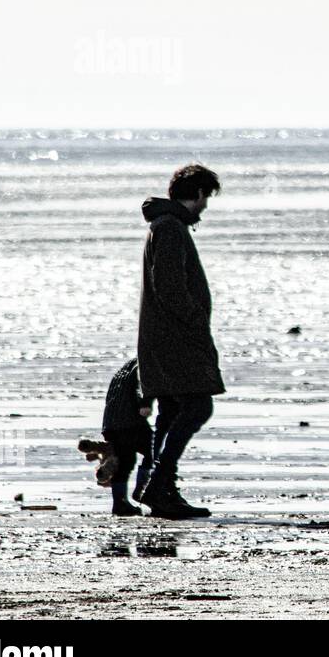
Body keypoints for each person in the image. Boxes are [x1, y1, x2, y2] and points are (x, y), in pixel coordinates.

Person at [135, 164, 224, 519]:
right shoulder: (170, 228)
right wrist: (195, 319)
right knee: (198, 406)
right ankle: (159, 484)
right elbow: (169, 287)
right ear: (199, 193)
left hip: (163, 337)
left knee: (171, 412)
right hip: (175, 338)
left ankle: (159, 490)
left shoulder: (164, 225)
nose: (206, 206)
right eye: (207, 198)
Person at [99, 358, 154, 516]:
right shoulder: (145, 364)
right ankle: (141, 491)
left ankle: (120, 502)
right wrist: (145, 403)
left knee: (125, 462)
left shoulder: (126, 368)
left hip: (111, 421)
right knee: (154, 452)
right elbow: (143, 386)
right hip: (129, 421)